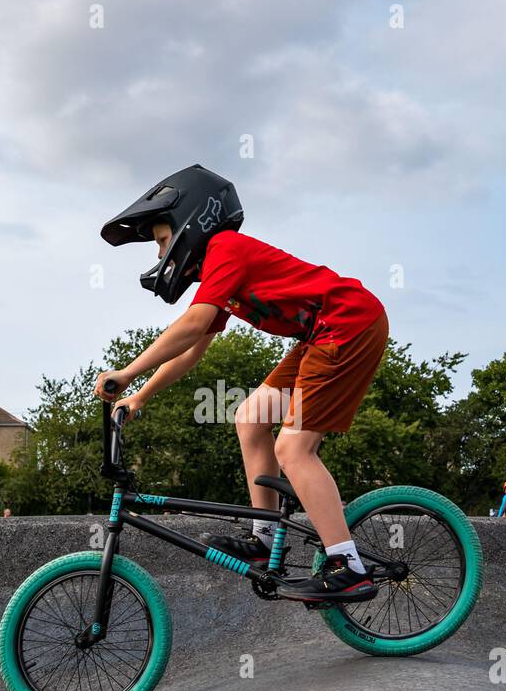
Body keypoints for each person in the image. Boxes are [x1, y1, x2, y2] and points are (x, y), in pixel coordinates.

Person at [95, 164, 388, 603]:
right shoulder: (221, 271)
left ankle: (348, 566)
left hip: (346, 323)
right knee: (250, 418)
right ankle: (265, 539)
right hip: (318, 335)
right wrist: (141, 395)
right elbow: (194, 350)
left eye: (160, 241)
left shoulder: (226, 248)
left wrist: (126, 372)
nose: (160, 256)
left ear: (189, 224)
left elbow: (192, 325)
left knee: (293, 448)